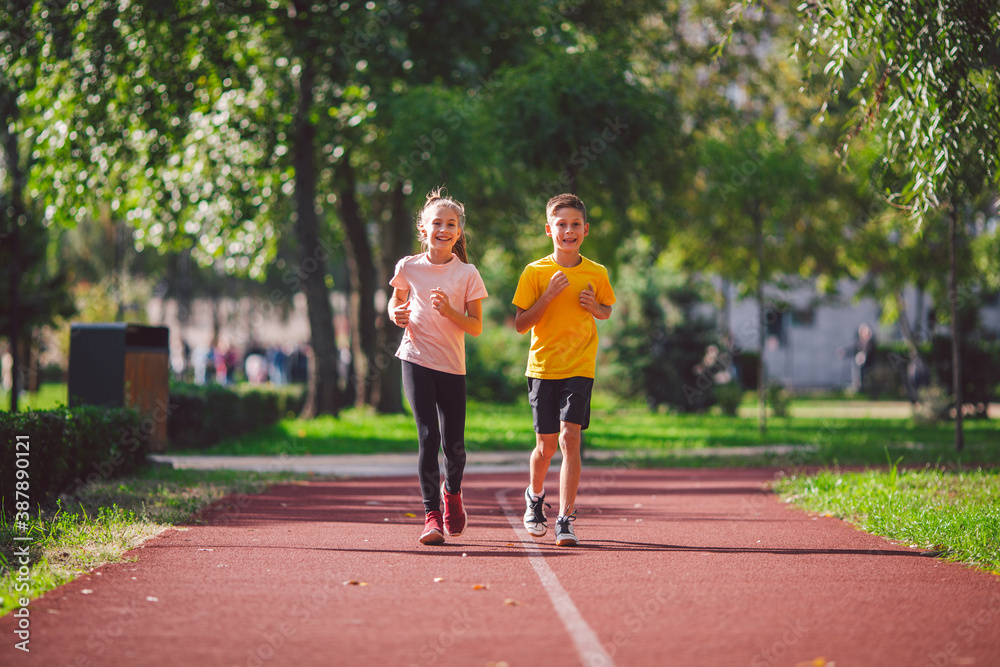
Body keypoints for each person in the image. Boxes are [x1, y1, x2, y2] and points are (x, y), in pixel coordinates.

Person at [512, 193, 615, 546]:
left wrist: (595, 307)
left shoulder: (597, 272)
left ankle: (565, 518)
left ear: (585, 230)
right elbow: (520, 324)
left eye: (575, 225)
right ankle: (535, 496)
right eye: (561, 224)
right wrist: (548, 297)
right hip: (543, 368)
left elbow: (606, 311)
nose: (568, 231)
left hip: (580, 366)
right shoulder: (535, 272)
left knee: (570, 437)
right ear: (549, 229)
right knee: (546, 447)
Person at [388, 188, 488, 545]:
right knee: (428, 437)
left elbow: (475, 326)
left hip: (452, 366)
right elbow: (396, 300)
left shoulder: (467, 273)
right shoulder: (408, 266)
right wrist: (395, 314)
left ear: (458, 232)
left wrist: (449, 312)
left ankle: (453, 493)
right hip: (415, 358)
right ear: (423, 228)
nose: (443, 229)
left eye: (450, 224)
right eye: (437, 223)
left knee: (454, 446)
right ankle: (431, 516)